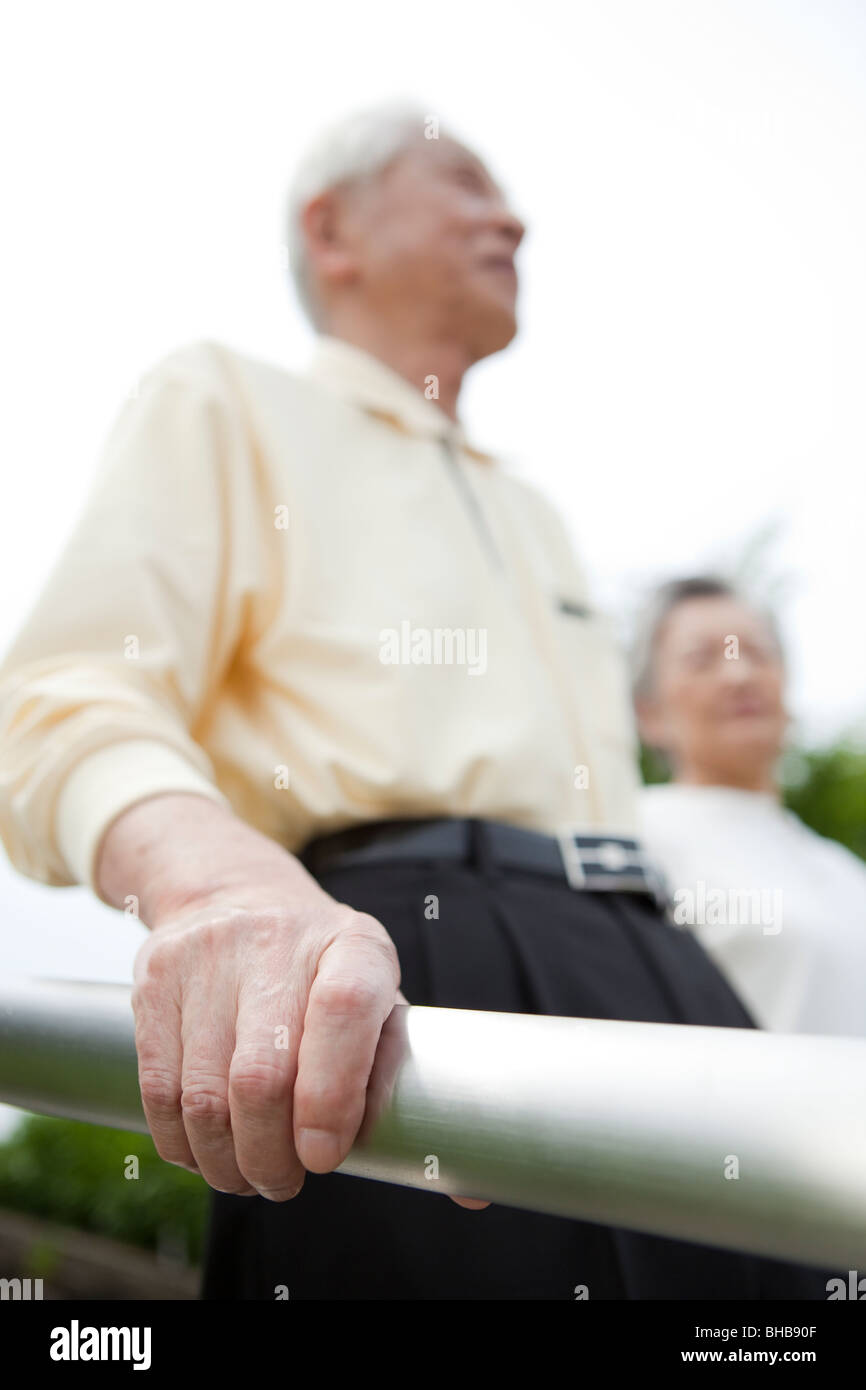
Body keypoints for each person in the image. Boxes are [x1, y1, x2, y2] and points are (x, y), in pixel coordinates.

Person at [0, 105, 831, 1299]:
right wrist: (223, 887)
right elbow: (64, 694)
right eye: (463, 183)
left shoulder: (534, 512)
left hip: (654, 980)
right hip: (394, 974)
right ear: (332, 231)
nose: (513, 218)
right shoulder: (222, 400)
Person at [633, 575, 866, 1037]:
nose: (739, 675)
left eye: (757, 654)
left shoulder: (843, 872)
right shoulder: (632, 837)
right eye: (702, 660)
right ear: (650, 714)